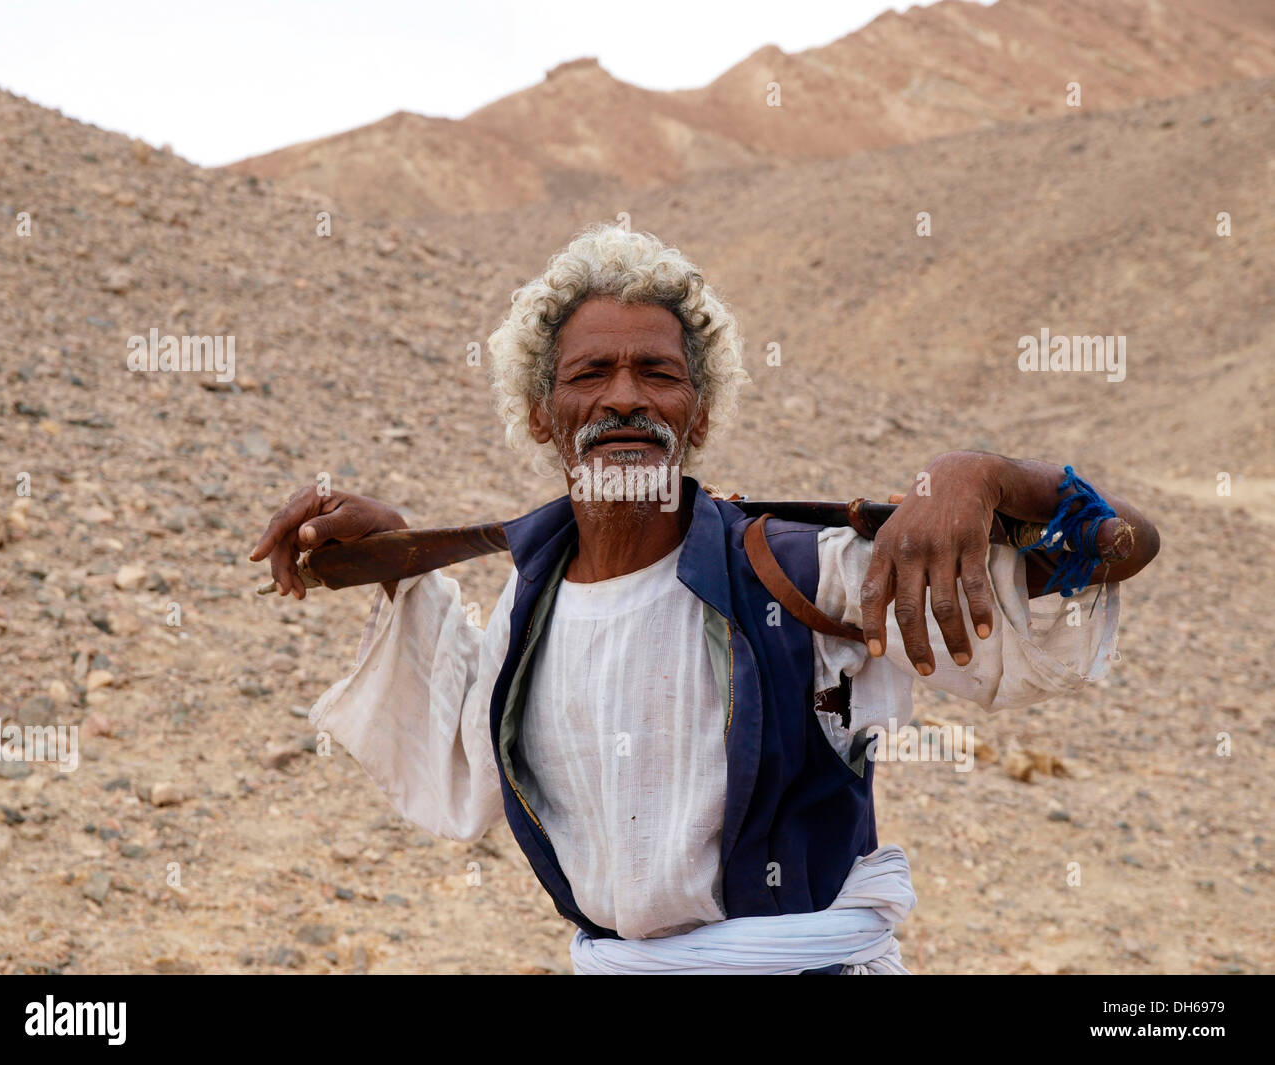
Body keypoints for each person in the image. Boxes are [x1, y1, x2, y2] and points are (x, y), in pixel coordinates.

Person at [250, 224, 1159, 974]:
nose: (623, 398)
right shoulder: (528, 613)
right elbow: (463, 762)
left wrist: (986, 474)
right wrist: (403, 553)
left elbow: (1122, 545)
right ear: (541, 414)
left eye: (657, 374)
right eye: (589, 374)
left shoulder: (816, 575)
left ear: (700, 412)